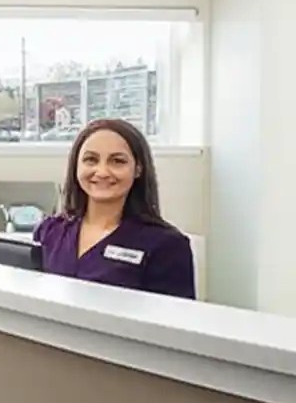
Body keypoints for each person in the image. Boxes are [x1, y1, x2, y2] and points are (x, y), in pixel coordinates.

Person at [33, 118, 196, 299]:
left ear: (138, 169)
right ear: (76, 167)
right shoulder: (50, 231)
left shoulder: (167, 245)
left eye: (117, 161)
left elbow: (173, 321)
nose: (102, 172)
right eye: (91, 160)